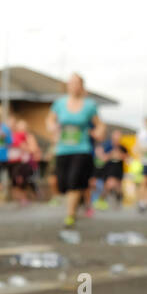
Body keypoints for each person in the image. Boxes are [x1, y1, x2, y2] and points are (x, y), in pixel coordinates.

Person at [46, 73, 104, 230]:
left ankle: (69, 215)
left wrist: (98, 132)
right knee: (63, 184)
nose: (73, 85)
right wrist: (52, 128)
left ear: (82, 85)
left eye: (77, 83)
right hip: (63, 149)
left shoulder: (89, 105)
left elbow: (100, 125)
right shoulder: (59, 103)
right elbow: (50, 120)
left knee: (74, 181)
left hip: (82, 148)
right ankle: (74, 206)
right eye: (71, 82)